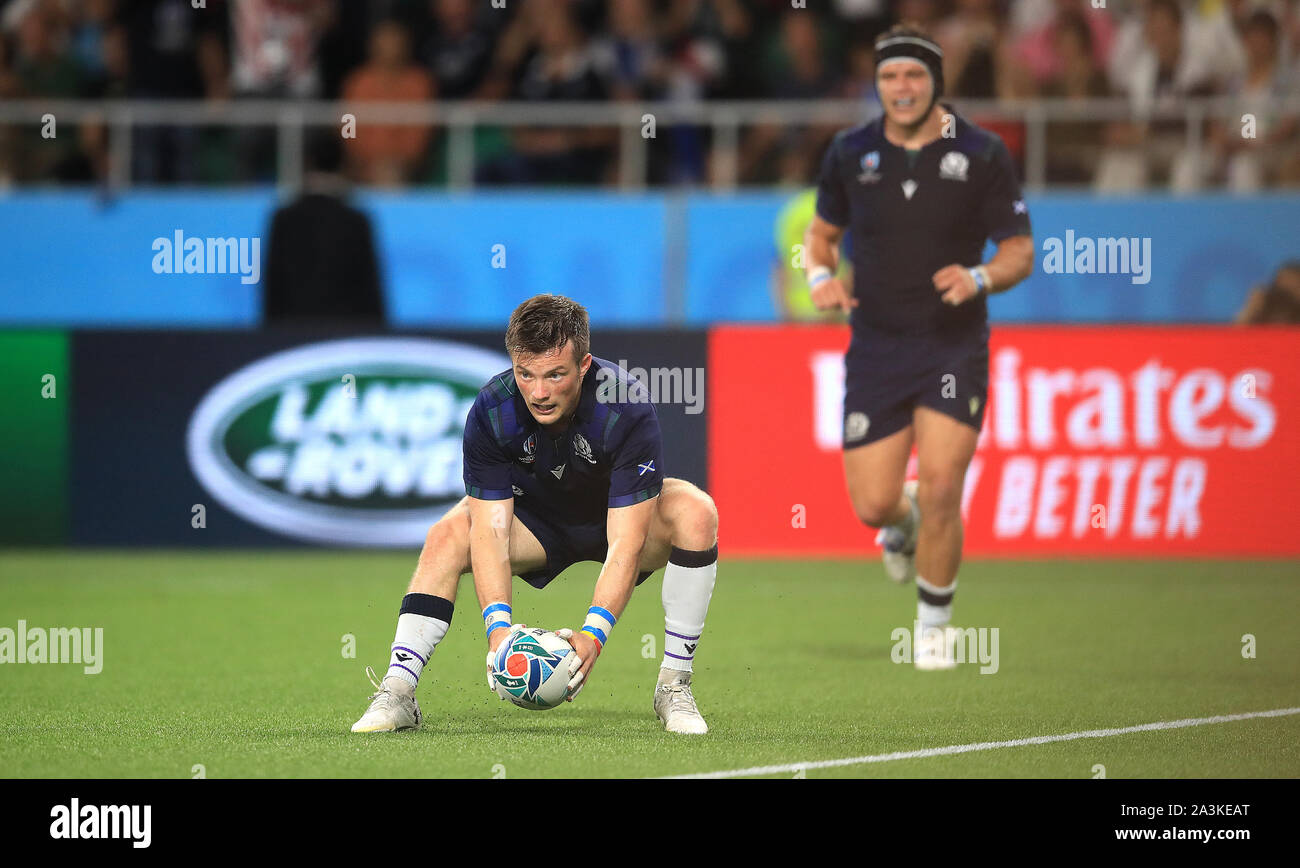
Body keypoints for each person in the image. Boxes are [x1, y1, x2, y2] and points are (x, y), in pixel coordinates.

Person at [352, 295, 719, 734]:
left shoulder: (625, 406)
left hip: (614, 520)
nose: (539, 392)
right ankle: (398, 691)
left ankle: (673, 685)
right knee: (448, 534)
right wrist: (497, 630)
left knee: (697, 512)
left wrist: (593, 635)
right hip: (537, 525)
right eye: (525, 374)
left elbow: (626, 541)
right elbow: (489, 532)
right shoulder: (493, 409)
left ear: (583, 366)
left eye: (555, 375)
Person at [803, 24, 1034, 669]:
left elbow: (1020, 249)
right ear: (875, 85)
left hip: (951, 347)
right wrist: (820, 277)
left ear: (935, 82)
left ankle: (935, 625)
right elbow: (821, 237)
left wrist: (980, 276)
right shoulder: (850, 152)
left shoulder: (982, 152)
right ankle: (897, 531)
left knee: (940, 488)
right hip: (875, 346)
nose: (900, 88)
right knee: (874, 504)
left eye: (912, 75)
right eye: (888, 77)